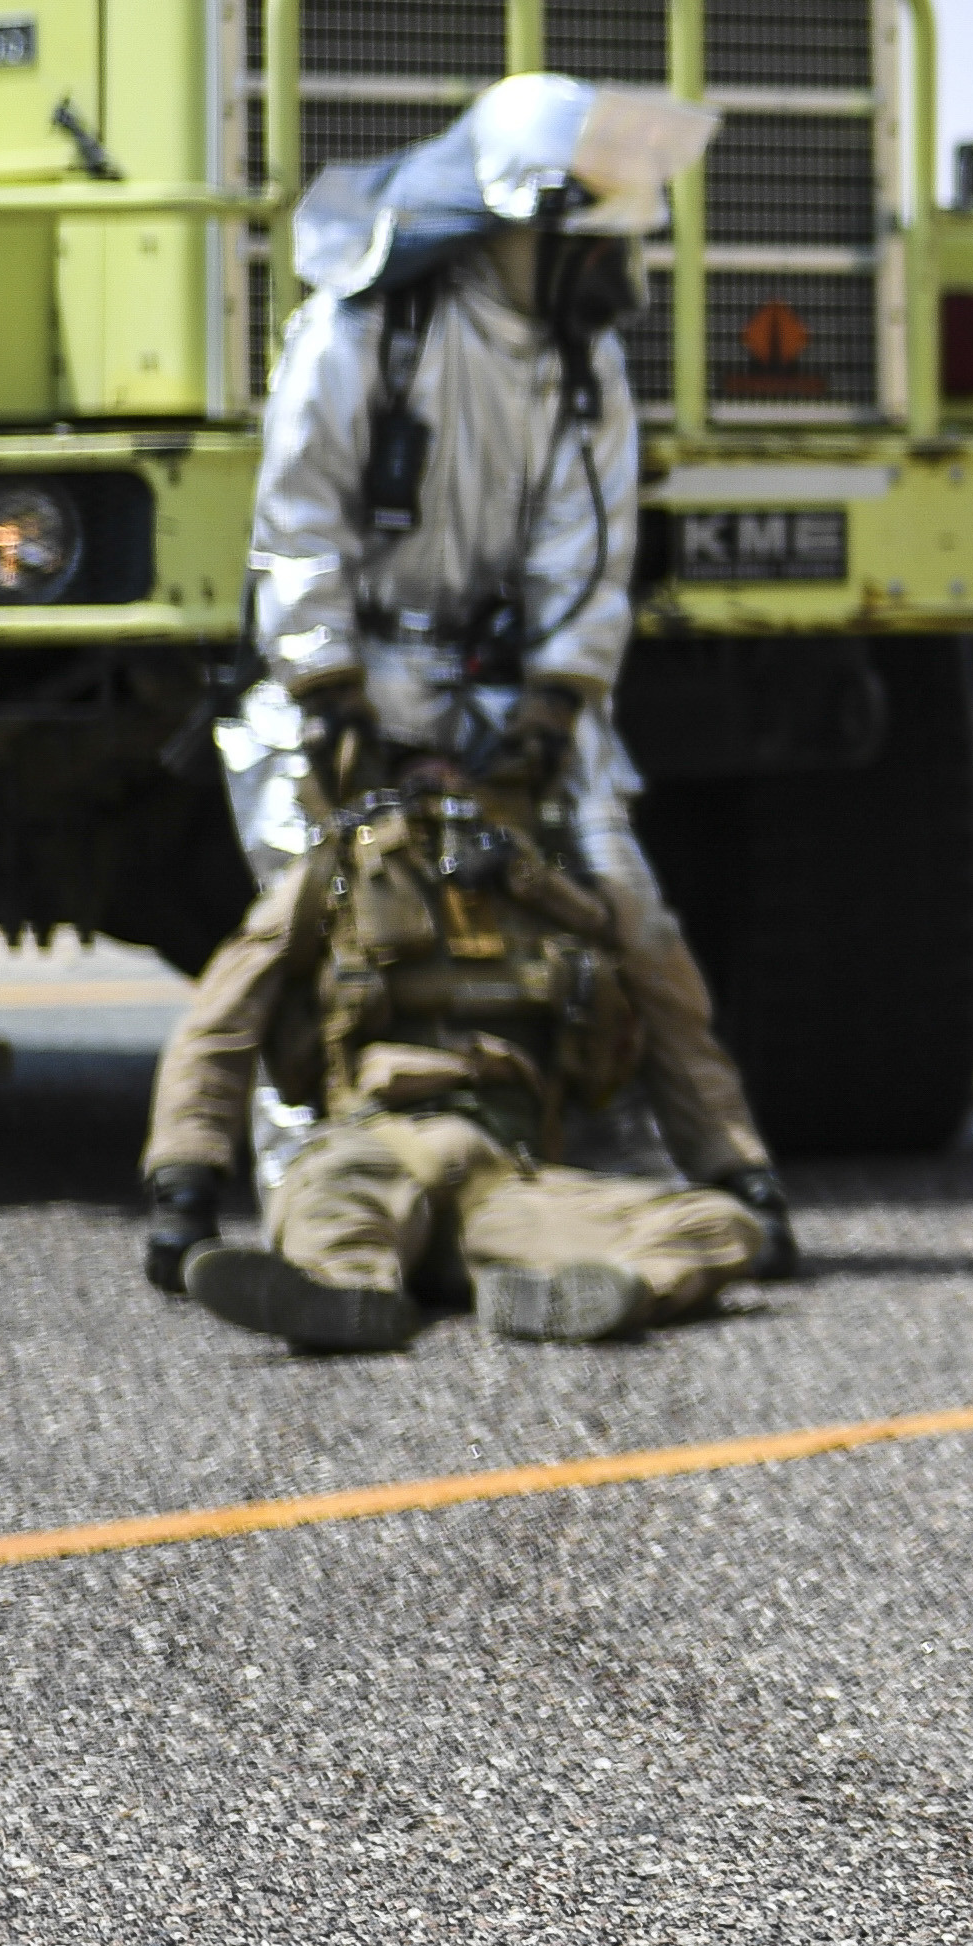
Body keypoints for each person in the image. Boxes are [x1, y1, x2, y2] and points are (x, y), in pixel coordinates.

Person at [140, 73, 795, 1303]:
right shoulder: (358, 332)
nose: (617, 268)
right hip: (343, 676)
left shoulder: (585, 370)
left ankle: (726, 1172)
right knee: (307, 929)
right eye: (591, 238)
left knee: (628, 910)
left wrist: (551, 718)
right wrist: (330, 701)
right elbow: (298, 529)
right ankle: (300, 1216)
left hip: (511, 689)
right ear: (514, 223)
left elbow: (584, 564)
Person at [139, 772, 783, 1350]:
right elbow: (221, 1019)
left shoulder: (562, 894)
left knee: (718, 1227)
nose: (447, 785)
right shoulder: (333, 880)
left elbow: (679, 1031)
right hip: (376, 1142)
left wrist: (740, 1173)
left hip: (508, 1173)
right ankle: (345, 1294)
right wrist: (185, 1176)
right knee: (331, 1206)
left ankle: (588, 1292)